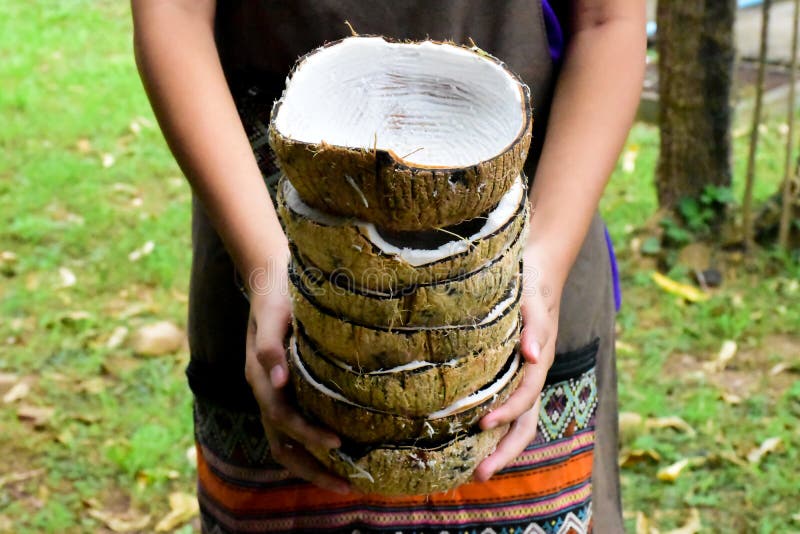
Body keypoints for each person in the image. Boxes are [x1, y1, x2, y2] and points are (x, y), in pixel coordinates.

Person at [131, 1, 645, 532]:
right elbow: (174, 16)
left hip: (531, 251)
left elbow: (609, 21)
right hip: (262, 247)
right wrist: (266, 267)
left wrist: (541, 270)